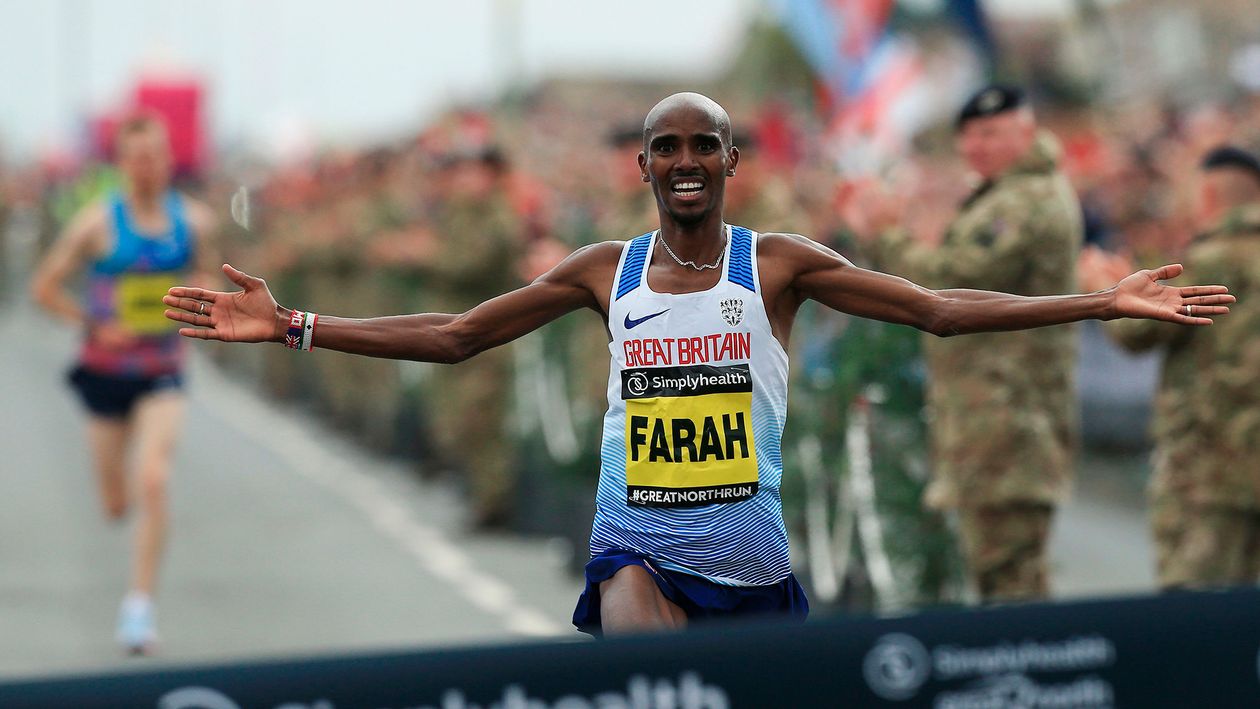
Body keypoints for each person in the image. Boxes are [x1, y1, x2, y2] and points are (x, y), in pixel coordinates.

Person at [163, 93, 1230, 636]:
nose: (682, 162)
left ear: (731, 161)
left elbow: (940, 309)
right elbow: (456, 333)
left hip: (756, 566)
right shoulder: (602, 272)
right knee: (640, 647)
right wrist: (297, 323)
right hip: (638, 547)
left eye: (700, 146)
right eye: (663, 148)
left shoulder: (780, 267)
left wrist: (1101, 297)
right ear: (642, 166)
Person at [847, 85, 1083, 603]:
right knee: (999, 573)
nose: (976, 146)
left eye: (991, 133)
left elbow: (947, 285)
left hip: (1009, 420)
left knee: (1010, 579)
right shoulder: (1008, 195)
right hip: (993, 418)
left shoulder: (1025, 201)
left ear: (1027, 132)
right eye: (969, 136)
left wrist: (887, 235)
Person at [30, 112, 217, 653]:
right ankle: (121, 508)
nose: (147, 168)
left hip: (162, 368)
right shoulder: (96, 222)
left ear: (168, 159)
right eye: (136, 158)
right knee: (116, 503)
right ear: (121, 164)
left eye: (155, 156)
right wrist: (94, 325)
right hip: (105, 372)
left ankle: (139, 609)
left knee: (154, 479)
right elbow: (45, 286)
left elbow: (210, 274)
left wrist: (198, 294)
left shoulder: (195, 221)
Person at [1080, 146, 1260, 590]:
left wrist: (1103, 291)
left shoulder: (1212, 261)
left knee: (1195, 606)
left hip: (1209, 472)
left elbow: (1137, 338)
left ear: (1209, 196)